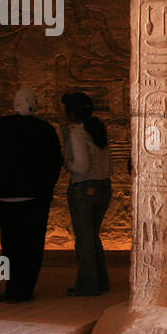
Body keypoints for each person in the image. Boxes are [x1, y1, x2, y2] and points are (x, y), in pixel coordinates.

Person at [0, 87, 64, 302]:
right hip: (34, 196)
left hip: (2, 196)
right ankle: (24, 289)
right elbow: (54, 163)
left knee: (7, 243)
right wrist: (46, 190)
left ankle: (7, 285)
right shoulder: (44, 130)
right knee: (31, 246)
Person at [59, 91, 112, 297]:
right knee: (92, 237)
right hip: (103, 187)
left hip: (84, 188)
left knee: (84, 239)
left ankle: (88, 285)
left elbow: (81, 167)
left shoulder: (79, 133)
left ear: (72, 112)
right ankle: (100, 281)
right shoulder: (98, 129)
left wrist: (65, 163)